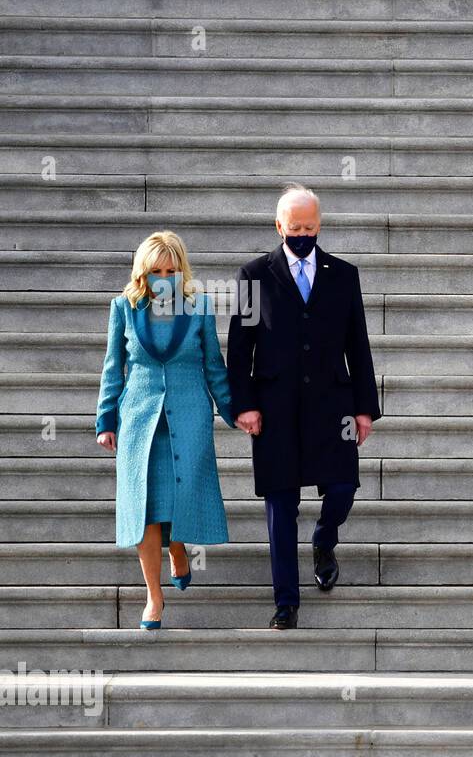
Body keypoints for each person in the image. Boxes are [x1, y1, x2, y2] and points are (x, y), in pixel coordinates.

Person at [226, 184, 380, 631]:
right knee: (279, 505)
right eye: (295, 228)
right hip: (274, 408)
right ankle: (285, 602)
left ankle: (324, 538)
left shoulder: (343, 274)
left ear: (320, 226)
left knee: (343, 488)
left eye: (310, 227)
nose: (302, 235)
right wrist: (244, 405)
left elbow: (359, 345)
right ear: (279, 226)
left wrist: (365, 408)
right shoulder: (254, 275)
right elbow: (241, 347)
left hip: (334, 405)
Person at [95, 231, 235, 629]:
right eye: (156, 270)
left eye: (172, 270)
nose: (164, 277)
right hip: (139, 419)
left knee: (182, 492)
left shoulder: (199, 307)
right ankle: (154, 599)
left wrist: (234, 412)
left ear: (181, 271)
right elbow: (113, 367)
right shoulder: (123, 308)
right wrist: (106, 420)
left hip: (189, 415)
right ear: (143, 271)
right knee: (145, 509)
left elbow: (214, 366)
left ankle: (178, 547)